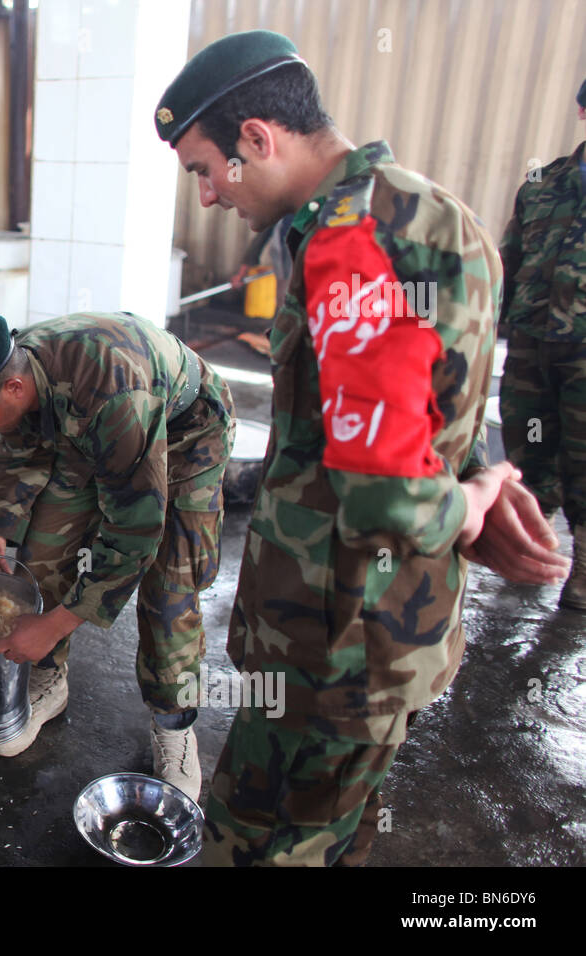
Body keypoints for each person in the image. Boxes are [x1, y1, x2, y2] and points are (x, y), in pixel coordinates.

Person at [156, 29, 569, 865]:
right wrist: (477, 472)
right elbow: (431, 410)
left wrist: (476, 502)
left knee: (263, 843)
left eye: (205, 170)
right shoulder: (415, 212)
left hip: (336, 642)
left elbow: (386, 493)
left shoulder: (354, 241)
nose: (206, 198)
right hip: (363, 637)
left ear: (258, 141)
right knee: (338, 832)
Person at [0, 311, 234, 797]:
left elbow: (134, 532)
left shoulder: (113, 391)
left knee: (170, 588)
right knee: (42, 553)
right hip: (91, 432)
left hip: (187, 434)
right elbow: (22, 451)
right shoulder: (14, 370)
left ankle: (175, 724)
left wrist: (53, 625)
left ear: (14, 389)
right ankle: (49, 678)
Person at [498, 80, 586, 610]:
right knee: (528, 445)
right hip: (531, 342)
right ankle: (533, 543)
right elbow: (507, 259)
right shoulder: (541, 183)